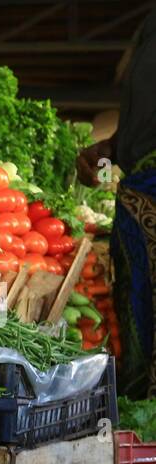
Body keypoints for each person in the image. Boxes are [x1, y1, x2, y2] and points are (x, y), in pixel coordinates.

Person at [76, 9, 156, 396]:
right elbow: (140, 124)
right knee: (139, 316)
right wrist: (109, 150)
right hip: (139, 201)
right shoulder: (148, 27)